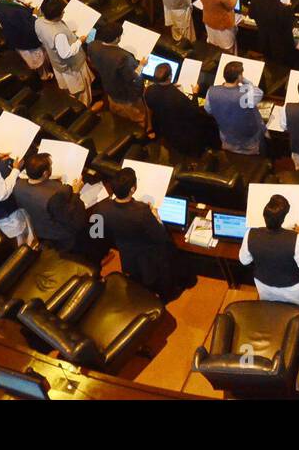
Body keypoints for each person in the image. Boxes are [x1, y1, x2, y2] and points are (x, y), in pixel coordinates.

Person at [89, 167, 189, 301]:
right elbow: (161, 237)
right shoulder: (142, 212)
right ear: (132, 189)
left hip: (127, 254)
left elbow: (96, 235)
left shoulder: (101, 208)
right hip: (151, 257)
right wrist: (157, 218)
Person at [240, 194, 299, 311]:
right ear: (283, 219)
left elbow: (244, 260)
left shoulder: (250, 234)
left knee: (273, 310)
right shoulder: (295, 239)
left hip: (264, 285)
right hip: (292, 287)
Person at [11, 153, 92, 255]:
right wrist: (76, 193)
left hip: (36, 228)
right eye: (51, 166)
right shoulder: (55, 196)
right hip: (58, 235)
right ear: (45, 173)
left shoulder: (18, 185)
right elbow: (70, 217)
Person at [144, 62, 214, 158]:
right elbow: (195, 112)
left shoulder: (149, 90)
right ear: (170, 77)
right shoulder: (178, 97)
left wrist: (149, 127)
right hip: (183, 131)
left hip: (165, 128)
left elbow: (149, 108)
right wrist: (195, 93)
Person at [35, 0, 94, 106]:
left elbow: (41, 38)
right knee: (82, 91)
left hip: (56, 62)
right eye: (62, 12)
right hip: (71, 67)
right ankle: (85, 108)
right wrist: (79, 41)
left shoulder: (38, 22)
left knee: (69, 88)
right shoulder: (59, 34)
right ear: (57, 16)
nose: (64, 13)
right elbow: (66, 54)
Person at [86, 20, 147, 124]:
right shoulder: (124, 58)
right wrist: (141, 65)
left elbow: (91, 61)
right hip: (125, 94)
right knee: (137, 116)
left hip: (108, 86)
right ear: (117, 38)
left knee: (115, 109)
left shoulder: (93, 45)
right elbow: (134, 78)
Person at [204, 59, 265, 155]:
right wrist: (244, 80)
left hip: (227, 137)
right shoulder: (245, 95)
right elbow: (259, 93)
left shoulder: (211, 91)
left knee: (231, 156)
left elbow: (208, 110)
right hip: (247, 139)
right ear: (239, 76)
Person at [0, 0, 48, 75]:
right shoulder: (13, 12)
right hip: (26, 41)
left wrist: (24, 7)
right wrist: (34, 14)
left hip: (14, 37)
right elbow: (29, 27)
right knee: (38, 60)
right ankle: (44, 75)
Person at [248, 0, 295, 64]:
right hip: (279, 43)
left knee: (267, 59)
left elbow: (251, 15)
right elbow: (289, 26)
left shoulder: (255, 0)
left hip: (263, 38)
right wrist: (289, 9)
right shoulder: (283, 9)